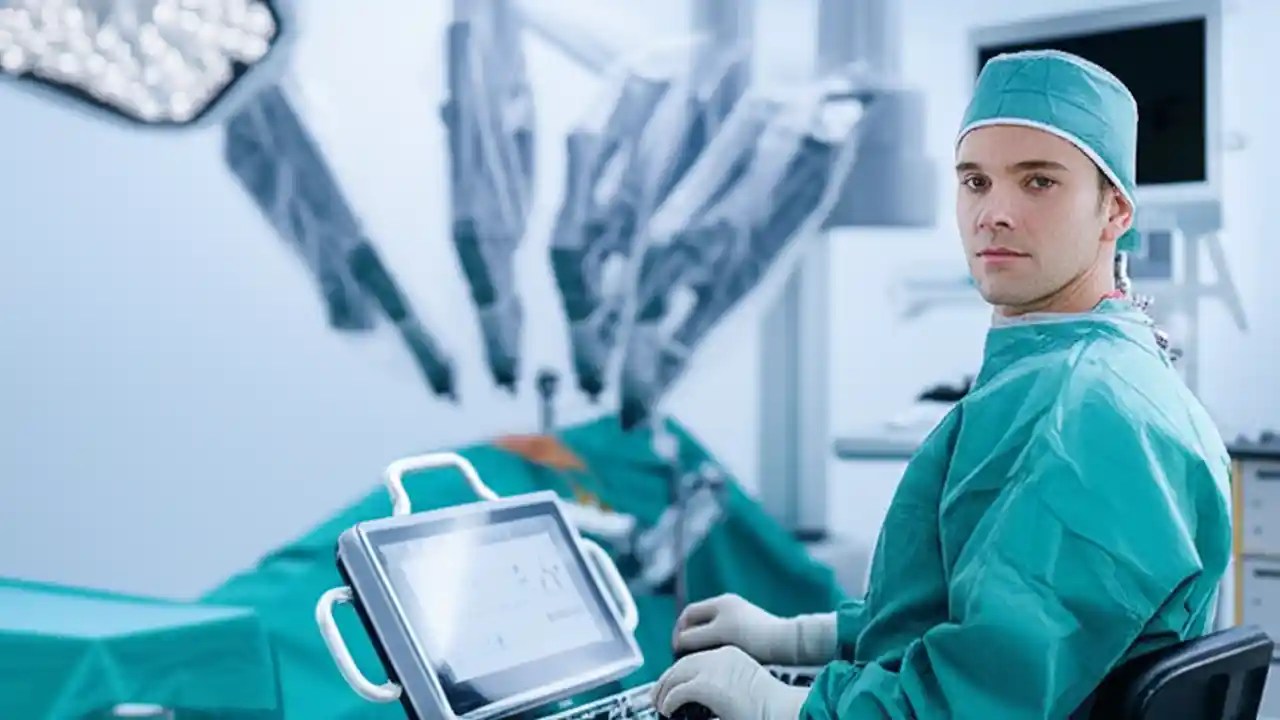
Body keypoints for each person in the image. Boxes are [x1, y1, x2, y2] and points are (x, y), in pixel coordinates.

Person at [650, 49, 1233, 720]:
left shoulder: (1092, 412)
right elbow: (975, 602)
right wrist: (802, 638)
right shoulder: (1058, 371)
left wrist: (781, 706)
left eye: (1038, 182)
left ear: (1115, 212)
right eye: (975, 182)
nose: (994, 213)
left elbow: (979, 695)